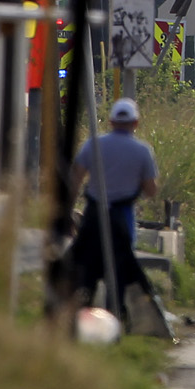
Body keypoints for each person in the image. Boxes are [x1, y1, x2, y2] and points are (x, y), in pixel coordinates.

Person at [69, 97, 159, 309]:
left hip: (93, 215)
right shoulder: (142, 151)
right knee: (119, 267)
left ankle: (81, 313)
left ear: (111, 121)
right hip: (122, 217)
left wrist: (68, 211)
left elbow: (75, 180)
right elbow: (151, 190)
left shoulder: (93, 144)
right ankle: (114, 313)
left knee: (86, 266)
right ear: (135, 123)